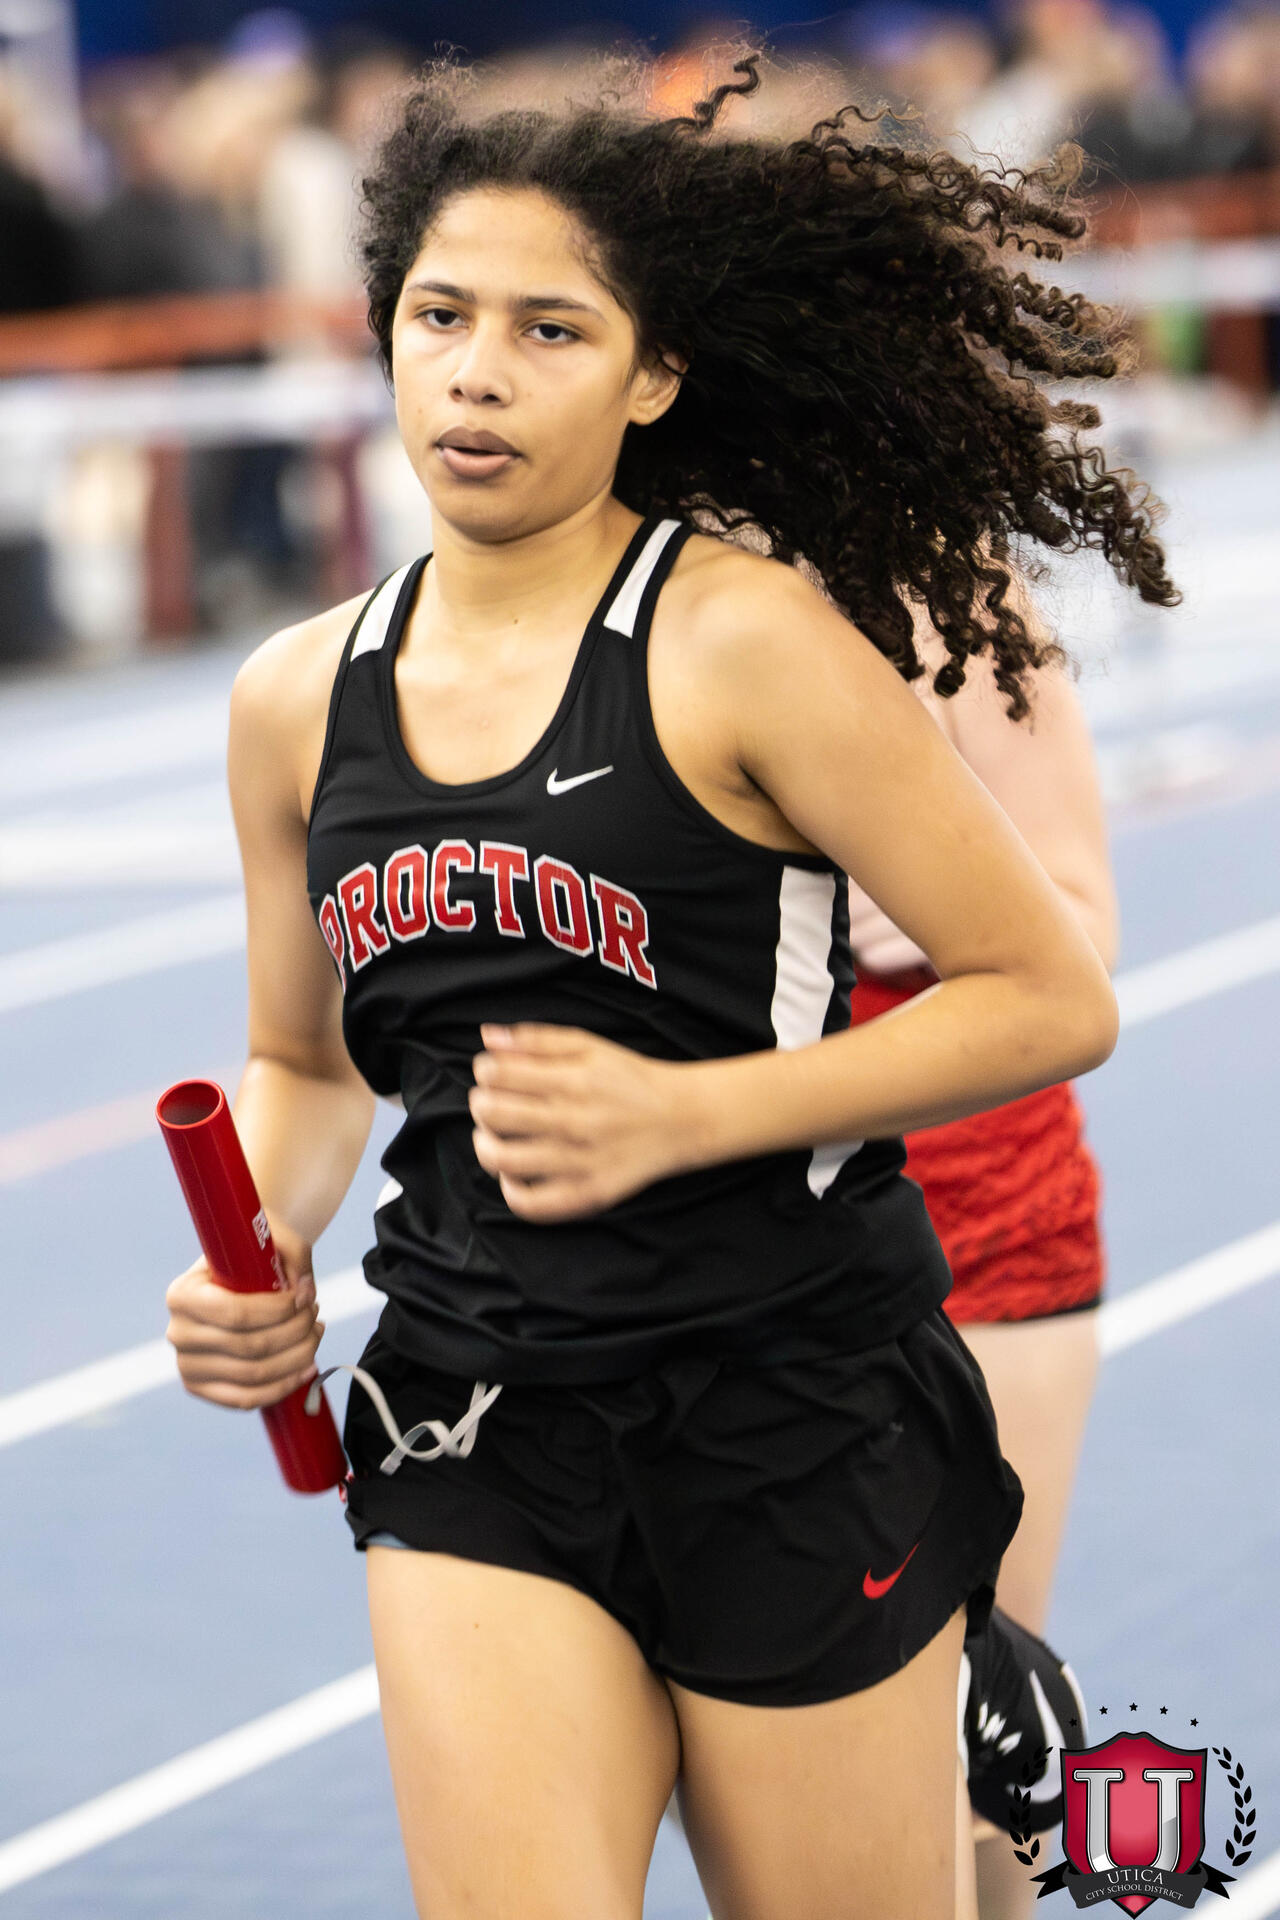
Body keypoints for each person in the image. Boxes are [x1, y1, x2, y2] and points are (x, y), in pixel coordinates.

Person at [164, 56, 1177, 1920]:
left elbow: (1049, 993)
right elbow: (299, 1066)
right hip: (479, 1411)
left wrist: (688, 1112)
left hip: (788, 1413)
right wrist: (262, 1244)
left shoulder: (745, 644)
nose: (475, 369)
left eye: (552, 329)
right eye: (439, 315)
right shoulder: (295, 701)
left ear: (655, 377)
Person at [847, 604, 1115, 1917]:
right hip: (757, 1238)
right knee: (835, 1758)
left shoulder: (969, 618)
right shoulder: (655, 602)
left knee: (975, 1721)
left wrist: (915, 895)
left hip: (984, 1219)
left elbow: (1081, 934)